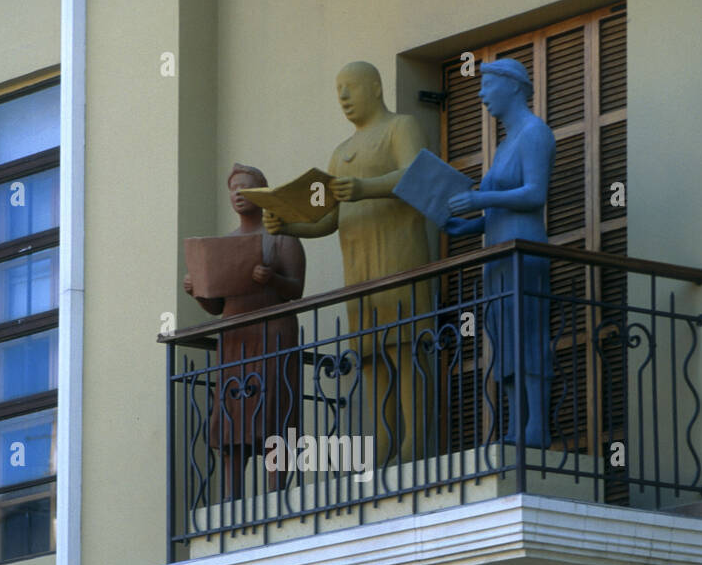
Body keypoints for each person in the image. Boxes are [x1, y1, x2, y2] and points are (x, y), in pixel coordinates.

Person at [262, 62, 430, 464]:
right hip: (358, 266)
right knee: (371, 355)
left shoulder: (400, 127)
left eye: (350, 87)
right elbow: (328, 217)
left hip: (397, 253)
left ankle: (416, 440)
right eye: (338, 89)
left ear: (374, 88)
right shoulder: (339, 153)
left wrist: (364, 187)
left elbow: (417, 174)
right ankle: (385, 439)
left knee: (403, 347)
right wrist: (287, 225)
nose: (343, 97)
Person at [447, 58, 556, 447]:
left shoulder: (534, 133)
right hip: (497, 253)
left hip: (523, 250)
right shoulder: (508, 142)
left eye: (488, 85)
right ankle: (515, 423)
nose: (480, 95)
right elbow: (499, 208)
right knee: (504, 339)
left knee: (527, 334)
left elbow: (533, 194)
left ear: (511, 85)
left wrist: (479, 197)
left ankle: (536, 426)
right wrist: (469, 223)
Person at [184, 163, 305, 499]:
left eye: (245, 186)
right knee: (232, 419)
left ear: (262, 192)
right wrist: (197, 291)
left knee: (271, 411)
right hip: (235, 337)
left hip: (272, 334)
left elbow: (296, 289)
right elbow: (218, 305)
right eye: (233, 188)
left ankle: (275, 491)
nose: (237, 194)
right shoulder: (225, 244)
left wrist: (272, 279)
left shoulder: (281, 237)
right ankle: (230, 497)